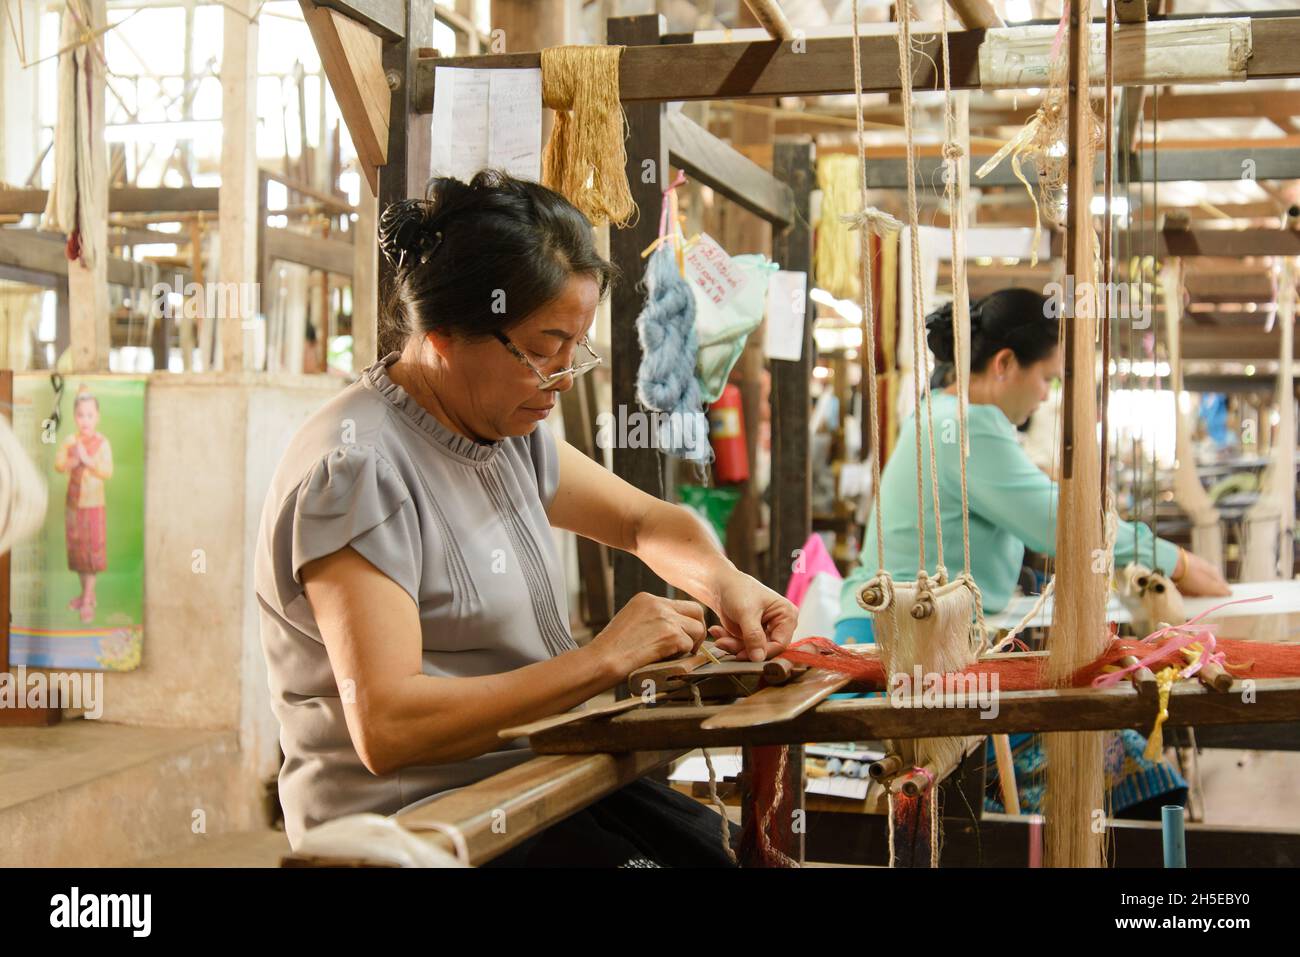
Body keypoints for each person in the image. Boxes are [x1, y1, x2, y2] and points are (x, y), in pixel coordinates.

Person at [254, 169, 797, 866]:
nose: (563, 377)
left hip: (530, 779)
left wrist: (726, 584)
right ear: (446, 335)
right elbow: (388, 723)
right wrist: (603, 658)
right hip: (415, 823)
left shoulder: (506, 430)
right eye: (543, 350)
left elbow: (643, 523)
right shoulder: (359, 470)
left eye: (576, 347)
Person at [835, 287, 1230, 817]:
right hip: (899, 661)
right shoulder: (965, 427)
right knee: (1119, 758)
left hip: (907, 647)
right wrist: (1177, 562)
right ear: (1004, 364)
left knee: (1104, 740)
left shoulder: (944, 417)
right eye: (1046, 378)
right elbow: (1064, 530)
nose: (1046, 395)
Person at [54, 384, 113, 624]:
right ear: (74, 416)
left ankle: (88, 599)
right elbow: (58, 465)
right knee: (78, 554)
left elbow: (107, 472)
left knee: (92, 553)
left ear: (97, 417)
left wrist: (87, 460)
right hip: (73, 505)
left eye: (90, 415)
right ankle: (87, 594)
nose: (85, 420)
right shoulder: (70, 441)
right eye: (80, 415)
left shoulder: (102, 443)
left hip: (93, 505)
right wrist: (72, 460)